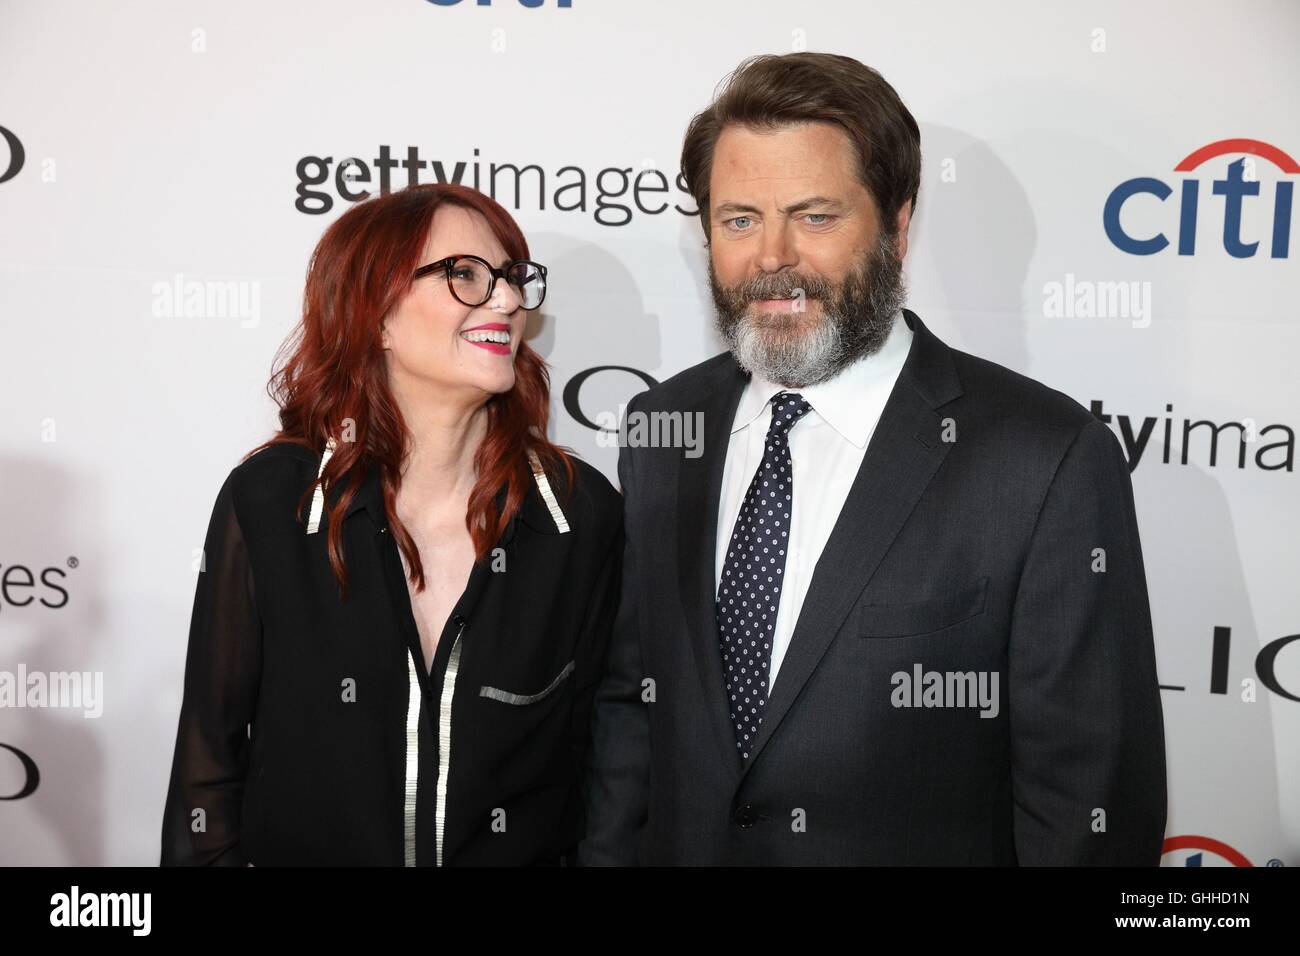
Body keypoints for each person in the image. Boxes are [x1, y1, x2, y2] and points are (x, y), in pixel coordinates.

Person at [578, 52, 1167, 865]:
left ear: (897, 222)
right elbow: (632, 717)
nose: (772, 256)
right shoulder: (664, 426)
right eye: (739, 218)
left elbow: (1089, 800)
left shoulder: (1044, 460)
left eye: (815, 217)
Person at [161, 183, 622, 866]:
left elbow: (601, 771)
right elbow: (209, 771)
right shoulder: (274, 502)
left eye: (510, 277)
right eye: (464, 275)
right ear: (374, 313)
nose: (504, 300)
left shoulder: (576, 512)